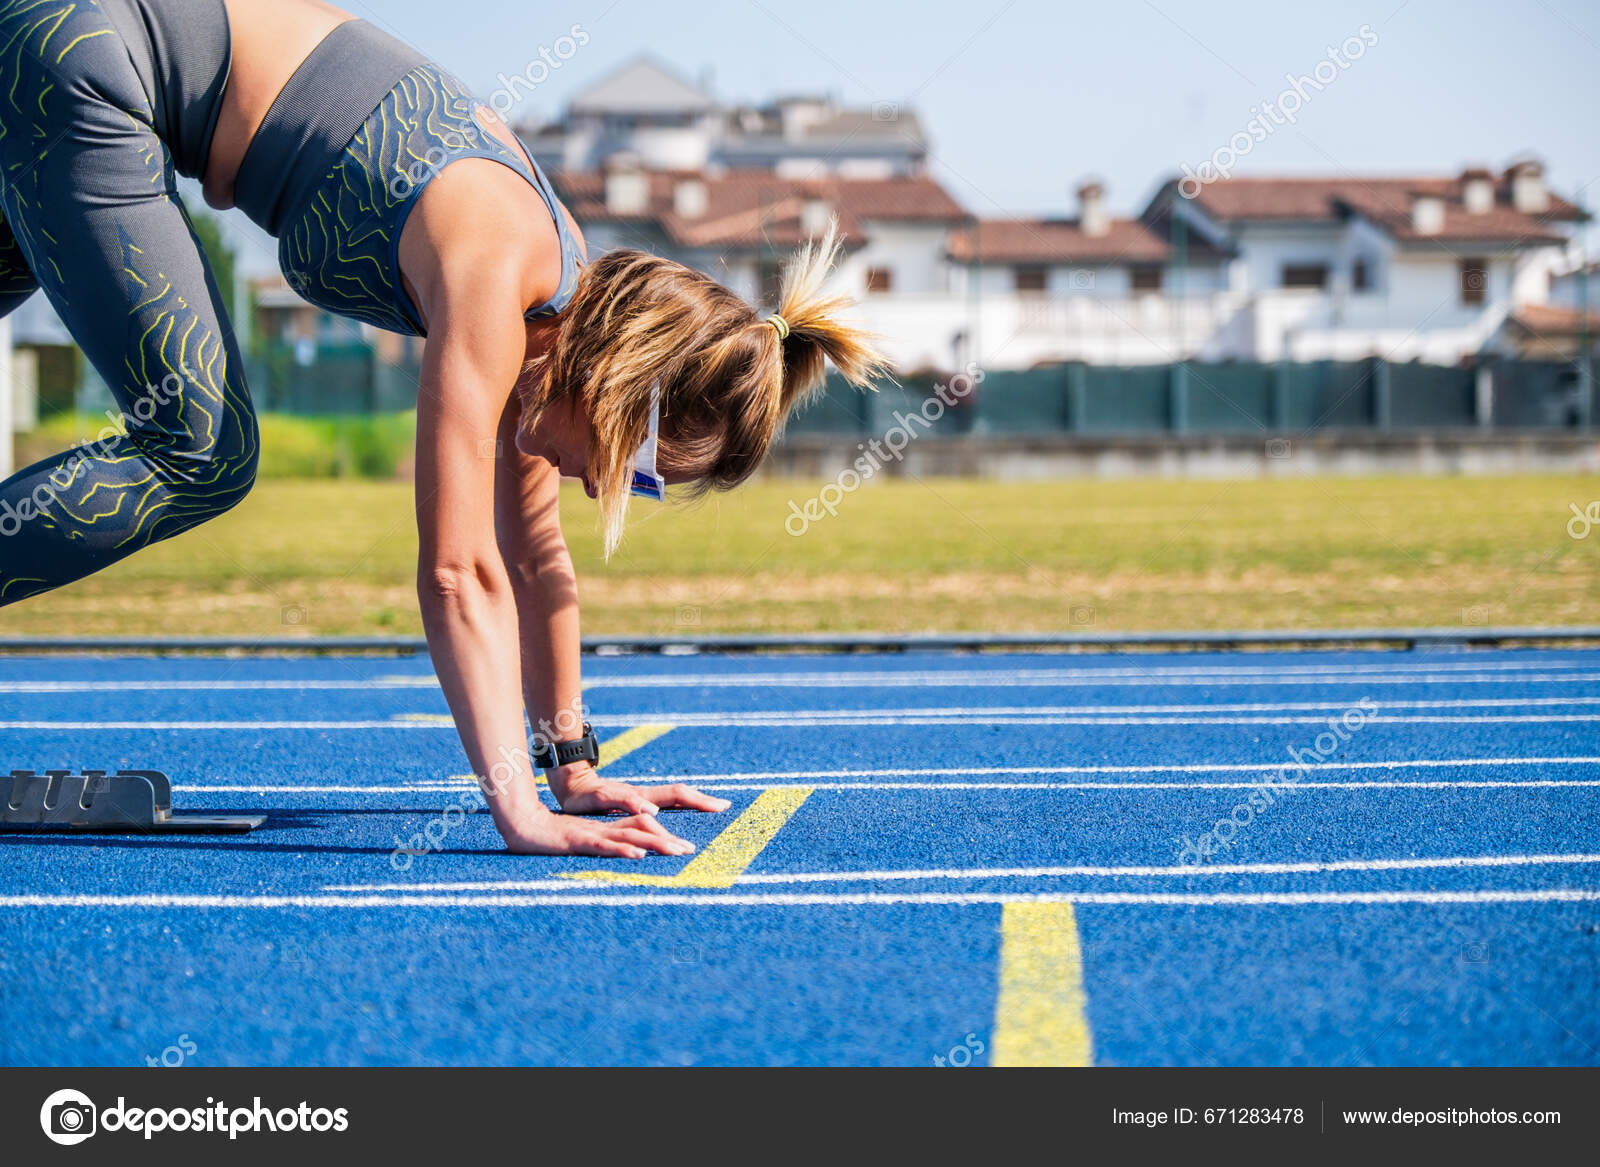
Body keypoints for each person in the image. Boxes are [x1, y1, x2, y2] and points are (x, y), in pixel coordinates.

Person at [0, 0, 883, 856]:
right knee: (201, 449)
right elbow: (458, 573)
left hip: (65, 50)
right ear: (621, 388)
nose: (608, 488)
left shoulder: (553, 311)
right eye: (643, 469)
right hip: (86, 53)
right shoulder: (500, 263)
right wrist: (521, 812)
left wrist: (571, 767)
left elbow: (536, 562)